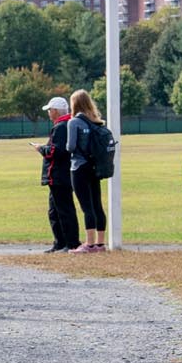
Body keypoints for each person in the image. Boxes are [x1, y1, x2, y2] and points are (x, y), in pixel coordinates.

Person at [33, 96, 80, 252]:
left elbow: (56, 151)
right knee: (54, 211)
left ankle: (71, 243)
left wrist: (41, 148)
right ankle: (60, 242)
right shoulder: (67, 124)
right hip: (61, 175)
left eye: (50, 110)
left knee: (64, 210)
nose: (49, 113)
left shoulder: (61, 127)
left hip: (59, 175)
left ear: (55, 111)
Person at [66, 90, 108, 253]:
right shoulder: (96, 121)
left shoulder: (74, 122)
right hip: (94, 166)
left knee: (86, 206)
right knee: (97, 204)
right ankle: (100, 243)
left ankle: (89, 244)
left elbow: (70, 146)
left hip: (79, 166)